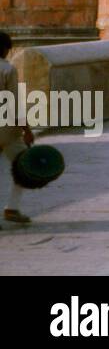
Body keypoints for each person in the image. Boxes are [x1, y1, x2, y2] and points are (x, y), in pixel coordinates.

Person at [0, 31, 36, 224]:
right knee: (23, 166)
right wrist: (27, 130)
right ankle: (12, 208)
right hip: (6, 129)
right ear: (6, 50)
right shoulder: (8, 69)